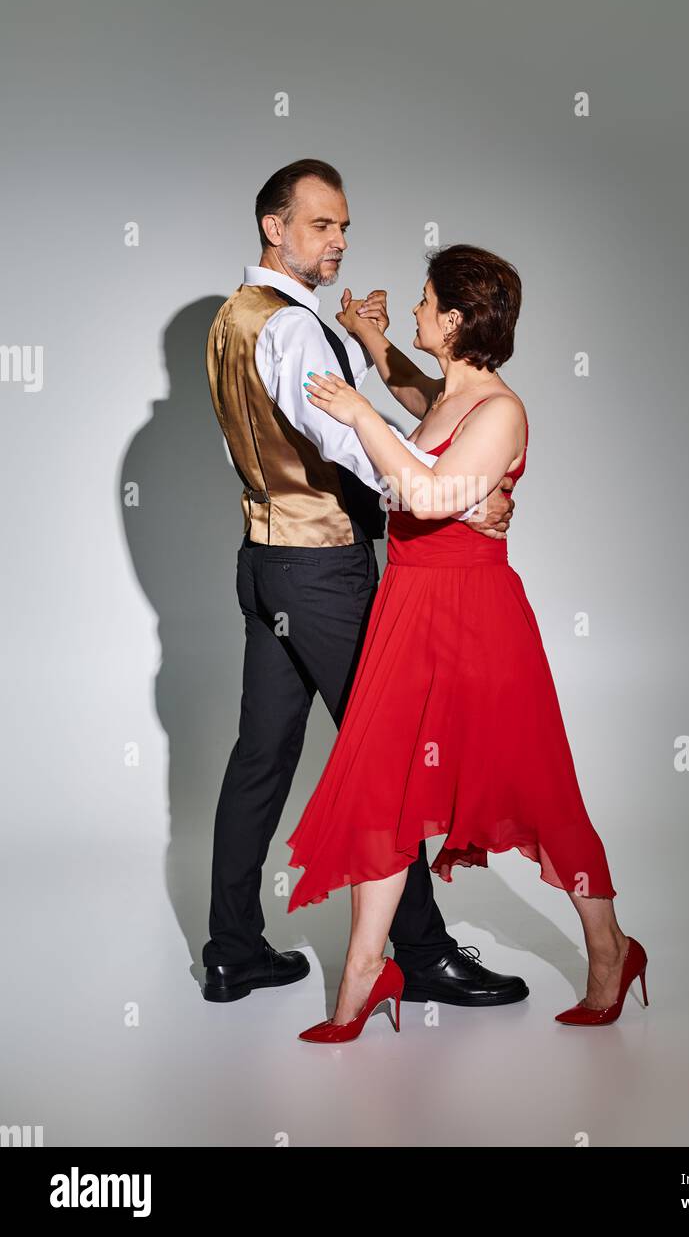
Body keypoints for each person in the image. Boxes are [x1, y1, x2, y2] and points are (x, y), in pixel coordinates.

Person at [278, 242, 648, 1041]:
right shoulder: (446, 394)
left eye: (422, 302)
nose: (410, 309)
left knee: (542, 794)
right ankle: (363, 977)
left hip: (477, 620)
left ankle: (611, 948)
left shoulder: (502, 410)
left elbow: (421, 488)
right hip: (408, 611)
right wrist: (374, 347)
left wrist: (360, 411)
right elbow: (423, 412)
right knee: (384, 788)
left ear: (451, 319)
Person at [201, 159, 528, 1009]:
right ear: (276, 228)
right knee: (391, 759)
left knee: (260, 757)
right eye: (321, 225)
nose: (340, 240)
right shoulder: (293, 330)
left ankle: (232, 948)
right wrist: (456, 495)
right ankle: (421, 955)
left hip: (265, 564)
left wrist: (375, 358)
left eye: (344, 225)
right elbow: (348, 442)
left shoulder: (231, 319)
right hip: (322, 572)